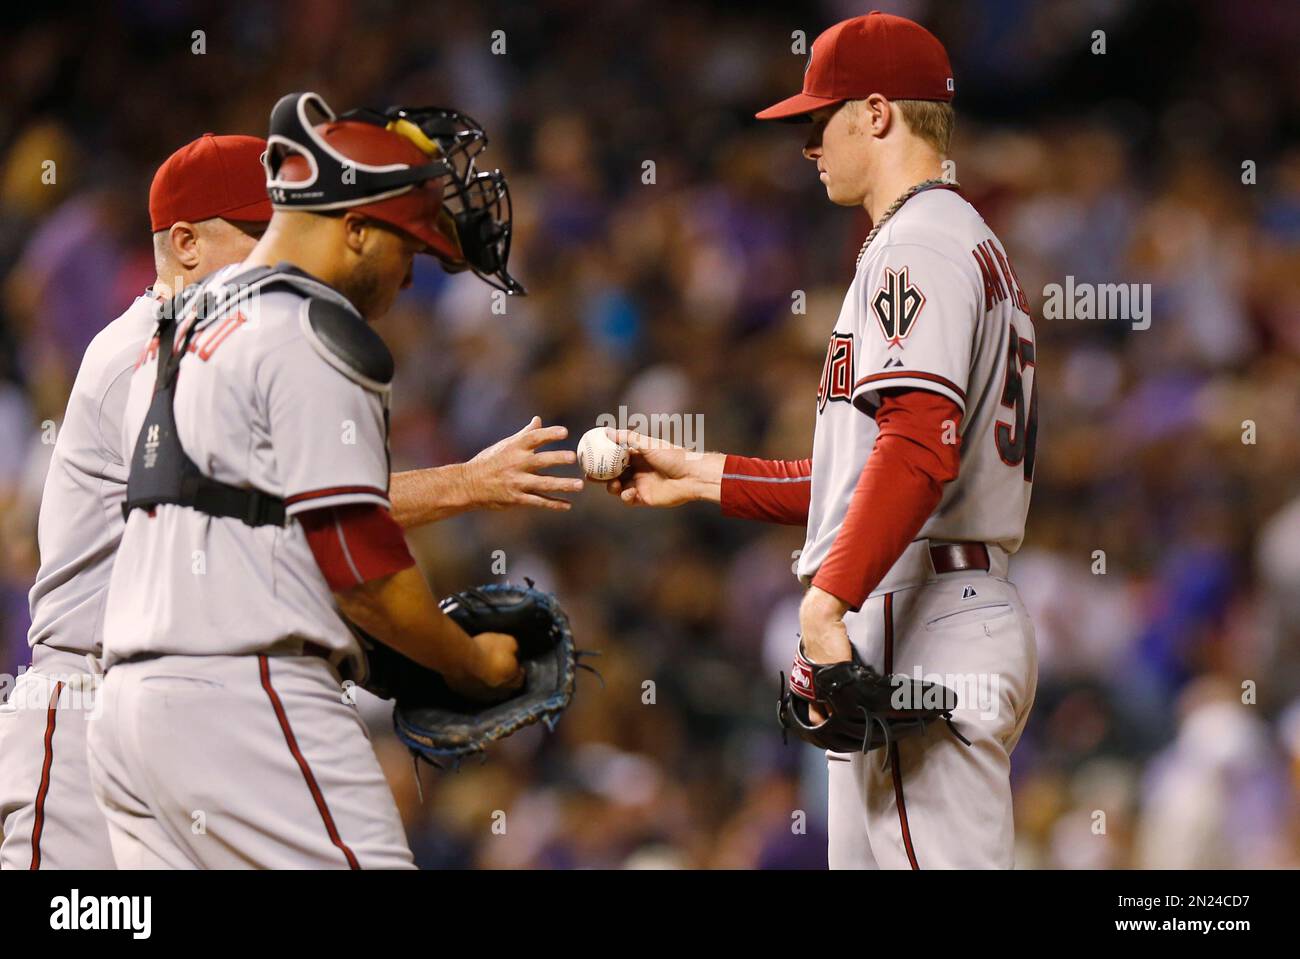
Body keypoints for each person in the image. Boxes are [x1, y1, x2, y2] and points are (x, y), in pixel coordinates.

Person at [605, 12, 1039, 869]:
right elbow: (865, 476)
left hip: (919, 607)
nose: (807, 143)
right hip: (916, 590)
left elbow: (918, 446)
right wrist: (701, 475)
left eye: (819, 117)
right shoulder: (952, 241)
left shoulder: (919, 243)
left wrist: (824, 602)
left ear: (878, 113)